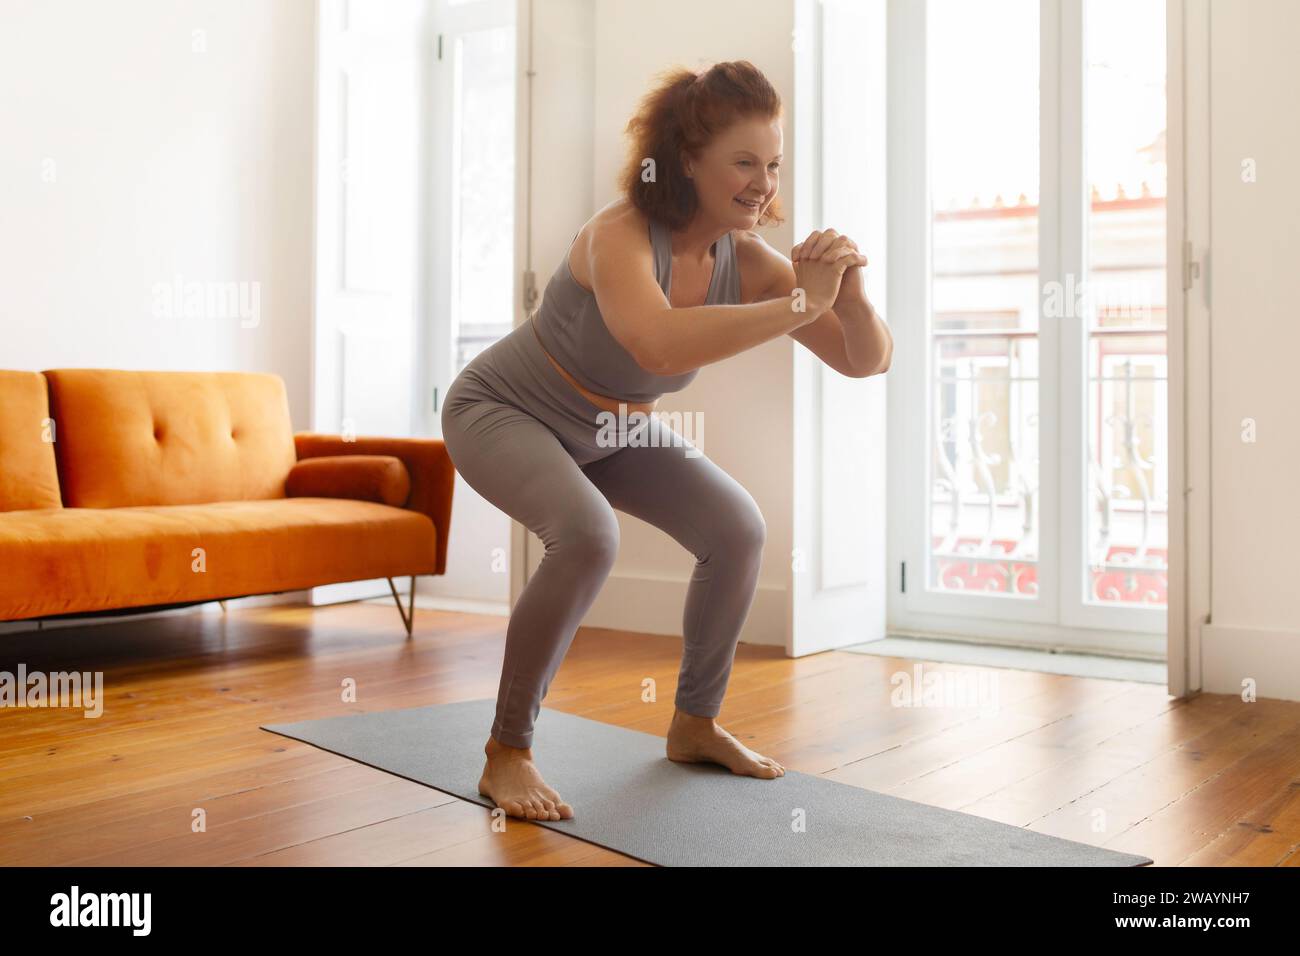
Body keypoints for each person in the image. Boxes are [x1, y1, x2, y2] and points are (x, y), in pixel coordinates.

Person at [440, 60, 892, 822]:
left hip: (611, 427)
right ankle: (507, 751)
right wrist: (796, 303)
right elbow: (656, 345)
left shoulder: (743, 258)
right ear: (687, 162)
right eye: (743, 162)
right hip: (504, 409)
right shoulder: (616, 235)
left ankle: (694, 723)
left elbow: (862, 358)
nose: (763, 183)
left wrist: (848, 294)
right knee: (586, 537)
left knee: (736, 527)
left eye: (773, 164)